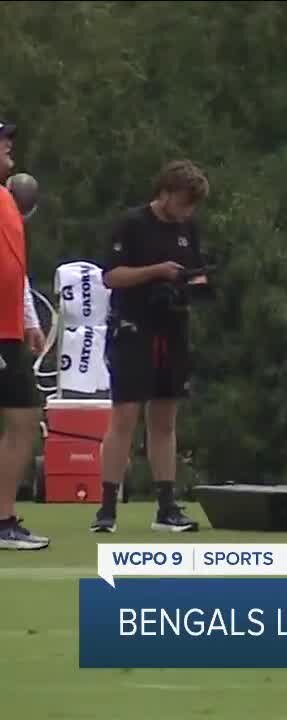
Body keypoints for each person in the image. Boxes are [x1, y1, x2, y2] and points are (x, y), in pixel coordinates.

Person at [90, 160, 213, 533]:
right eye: (183, 202)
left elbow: (194, 267)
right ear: (165, 193)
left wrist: (197, 282)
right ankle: (107, 507)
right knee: (125, 416)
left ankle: (166, 505)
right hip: (133, 327)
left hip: (172, 327)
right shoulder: (132, 224)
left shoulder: (187, 227)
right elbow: (111, 275)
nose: (187, 211)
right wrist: (157, 271)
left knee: (165, 419)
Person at [0, 120, 50, 550]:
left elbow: (15, 270)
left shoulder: (5, 200)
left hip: (9, 329)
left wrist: (29, 320)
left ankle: (3, 519)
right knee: (20, 417)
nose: (8, 144)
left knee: (22, 417)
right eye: (1, 139)